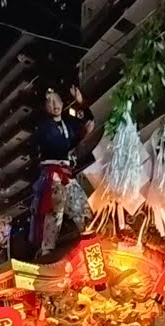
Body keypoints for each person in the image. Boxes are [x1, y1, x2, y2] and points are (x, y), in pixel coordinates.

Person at [30, 86, 94, 257]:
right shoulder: (43, 126)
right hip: (52, 174)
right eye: (50, 102)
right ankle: (46, 250)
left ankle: (89, 235)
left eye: (57, 100)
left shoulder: (68, 124)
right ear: (45, 107)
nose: (54, 104)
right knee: (54, 211)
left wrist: (81, 102)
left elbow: (89, 124)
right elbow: (42, 148)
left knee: (80, 205)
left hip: (66, 172)